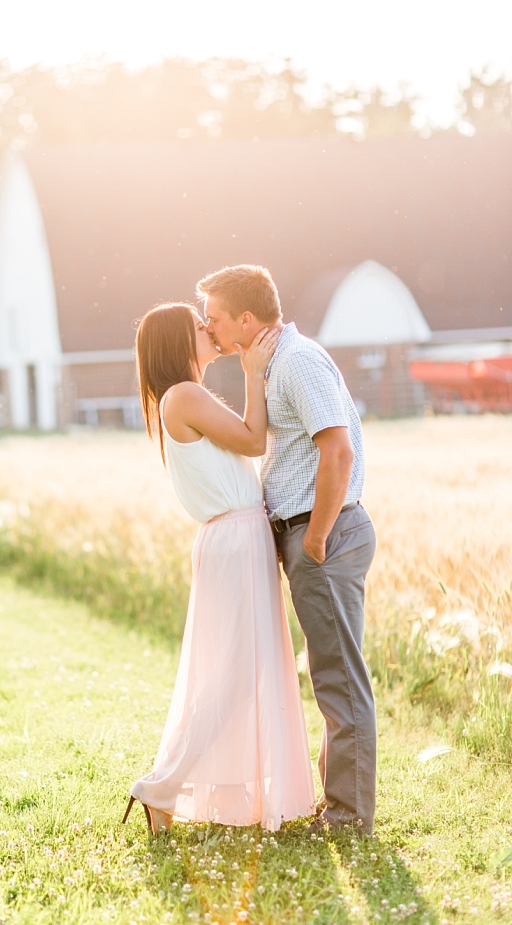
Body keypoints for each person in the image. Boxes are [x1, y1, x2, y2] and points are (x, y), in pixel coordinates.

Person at [198, 264, 377, 835]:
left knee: (338, 676)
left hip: (322, 533)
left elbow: (338, 453)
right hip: (306, 533)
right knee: (329, 671)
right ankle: (339, 805)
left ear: (246, 320)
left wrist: (317, 537)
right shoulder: (272, 364)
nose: (211, 329)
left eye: (217, 319)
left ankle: (349, 818)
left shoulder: (297, 362)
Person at [125, 301, 315, 834]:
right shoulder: (184, 396)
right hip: (234, 536)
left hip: (235, 536)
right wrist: (254, 375)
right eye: (198, 325)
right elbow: (255, 439)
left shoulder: (183, 397)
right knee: (233, 676)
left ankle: (177, 786)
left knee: (236, 672)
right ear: (177, 343)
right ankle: (162, 786)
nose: (210, 329)